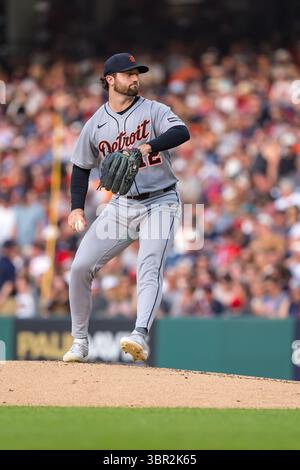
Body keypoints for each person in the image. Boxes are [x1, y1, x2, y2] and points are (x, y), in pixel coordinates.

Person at [63, 53, 190, 362]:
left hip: (161, 200)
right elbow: (81, 168)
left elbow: (181, 132)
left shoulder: (153, 110)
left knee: (149, 266)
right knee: (80, 267)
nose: (135, 78)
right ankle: (79, 341)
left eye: (137, 73)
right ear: (110, 80)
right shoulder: (96, 123)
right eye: (128, 74)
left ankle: (139, 335)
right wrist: (77, 208)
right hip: (122, 207)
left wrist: (147, 145)